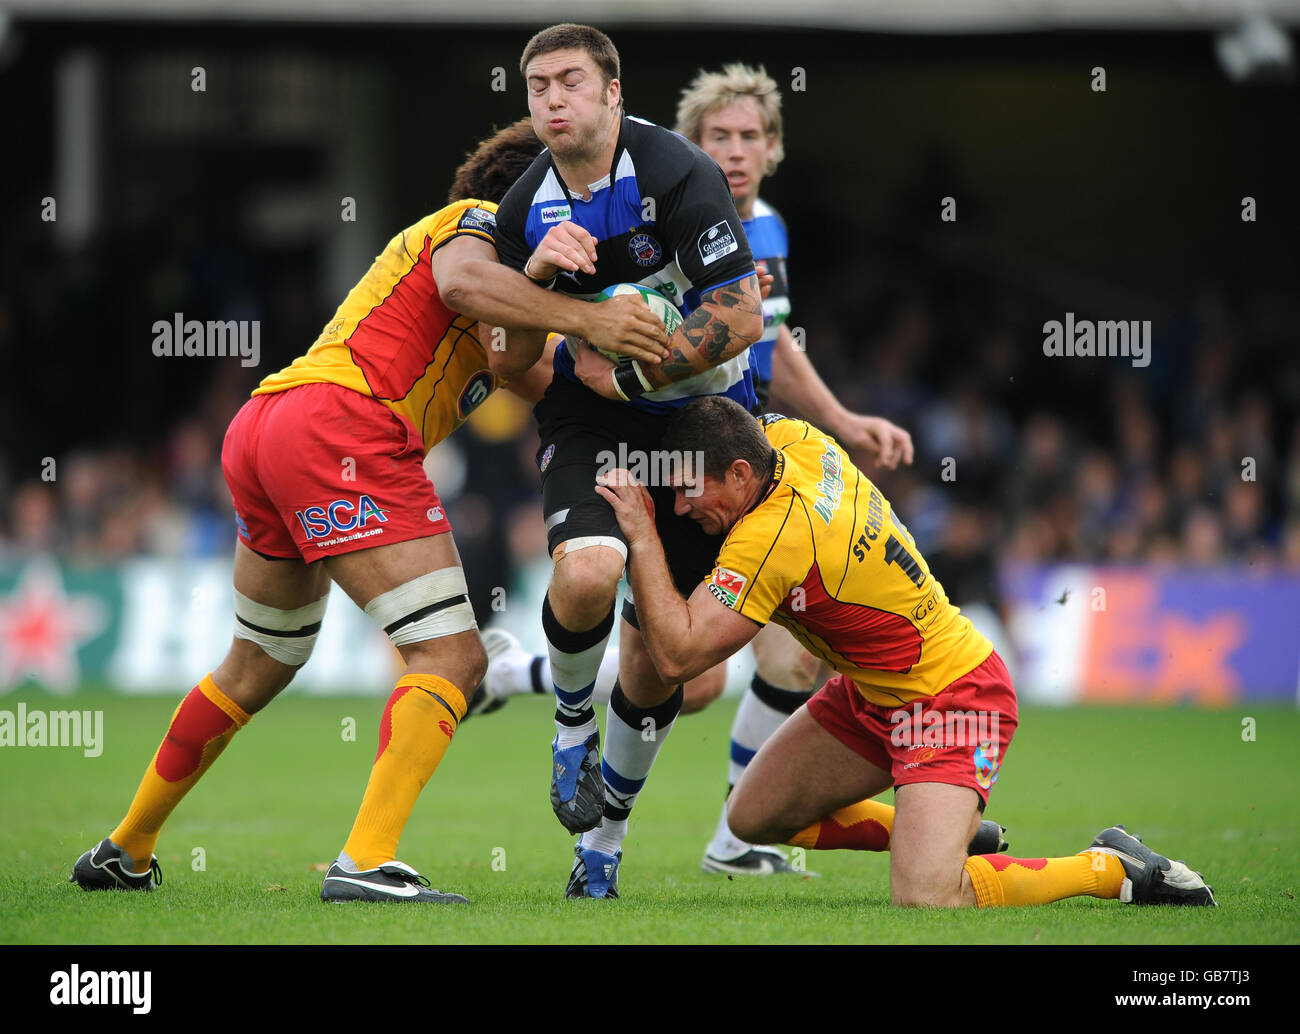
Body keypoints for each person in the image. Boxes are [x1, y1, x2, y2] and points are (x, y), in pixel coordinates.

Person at [68, 119, 669, 904]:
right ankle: (366, 860)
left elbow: (556, 380)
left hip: (270, 428)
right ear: (538, 198)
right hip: (344, 431)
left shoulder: (514, 300)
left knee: (259, 663)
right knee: (453, 658)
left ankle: (126, 847)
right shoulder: (475, 225)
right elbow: (461, 285)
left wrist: (681, 366)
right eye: (580, 199)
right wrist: (591, 316)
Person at [478, 63, 923, 878]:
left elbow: (768, 340)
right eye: (719, 137)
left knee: (704, 669)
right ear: (689, 144)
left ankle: (712, 827)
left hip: (725, 438)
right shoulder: (622, 199)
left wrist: (841, 417)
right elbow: (521, 349)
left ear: (775, 149)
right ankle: (636, 801)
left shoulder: (764, 230)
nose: (735, 151)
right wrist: (575, 362)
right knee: (663, 647)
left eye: (750, 137)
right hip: (646, 428)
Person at [595, 396, 1218, 908]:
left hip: (950, 695)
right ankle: (947, 833)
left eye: (689, 491)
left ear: (738, 473)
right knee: (750, 817)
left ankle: (1107, 867)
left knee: (926, 898)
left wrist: (645, 536)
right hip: (870, 692)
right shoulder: (791, 437)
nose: (680, 507)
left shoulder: (773, 539)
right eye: (672, 495)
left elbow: (676, 658)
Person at [490, 23, 766, 898]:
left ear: (613, 91)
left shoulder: (677, 171)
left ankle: (600, 849)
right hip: (586, 416)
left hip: (700, 425)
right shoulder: (522, 210)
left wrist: (635, 368)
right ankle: (572, 727)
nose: (552, 100)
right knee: (584, 576)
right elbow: (507, 364)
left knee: (668, 668)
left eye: (570, 81)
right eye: (537, 87)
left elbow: (744, 316)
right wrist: (534, 286)